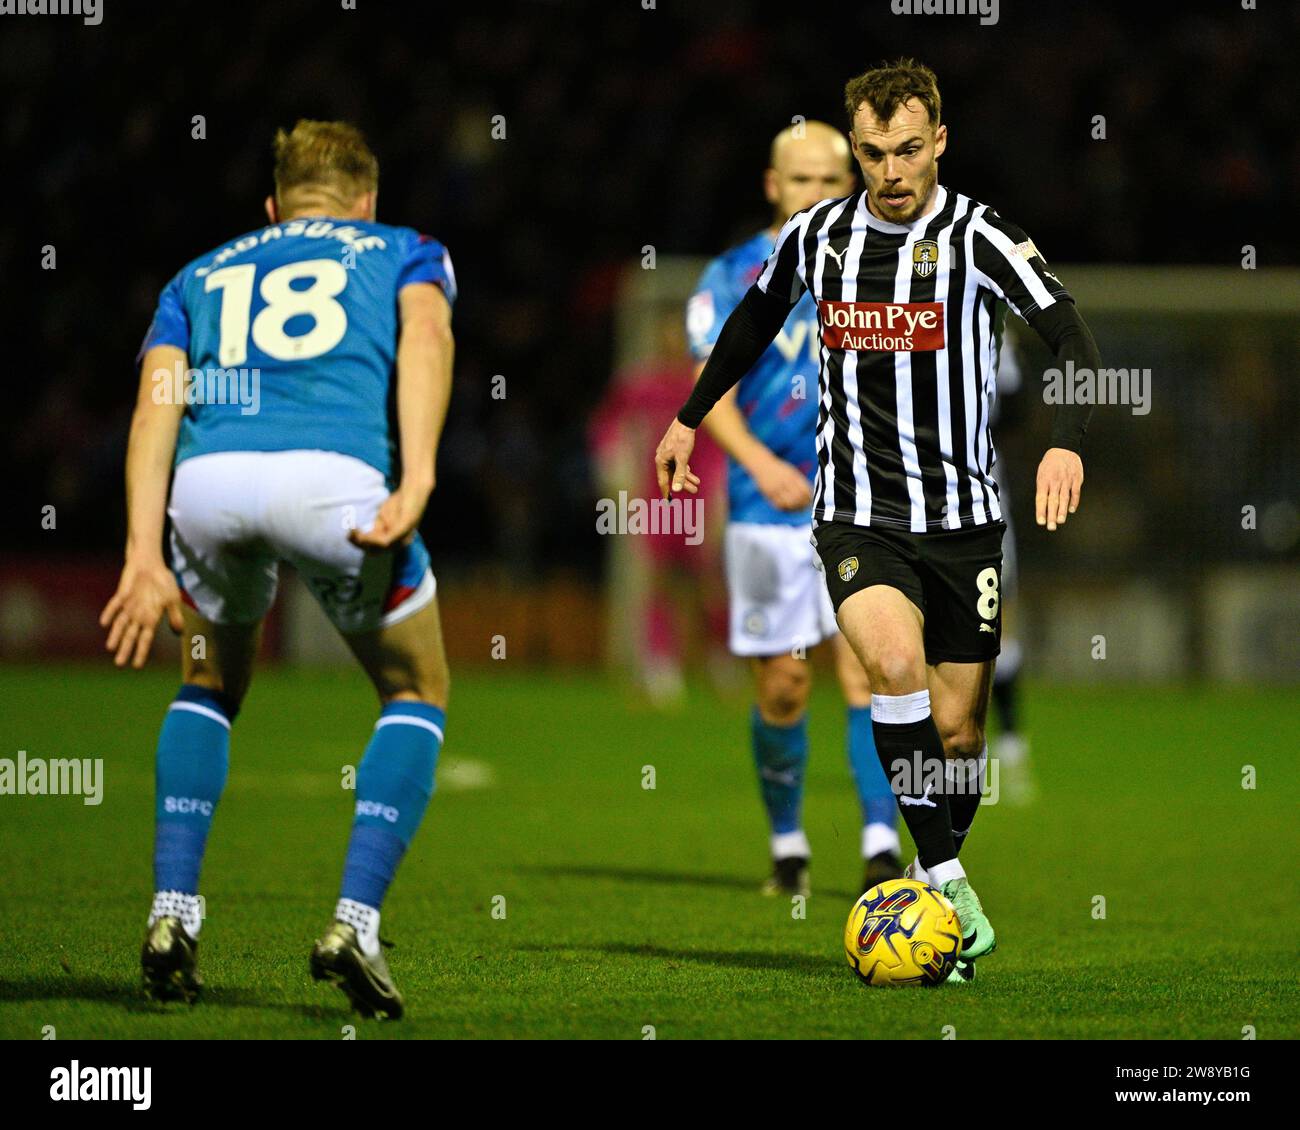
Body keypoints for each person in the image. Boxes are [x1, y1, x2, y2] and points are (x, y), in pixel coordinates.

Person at [654, 59, 1097, 980]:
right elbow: (747, 323)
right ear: (854, 151)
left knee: (960, 733)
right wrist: (687, 418)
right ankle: (943, 878)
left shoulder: (979, 237)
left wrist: (1067, 441)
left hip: (966, 521)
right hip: (857, 513)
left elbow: (1071, 334)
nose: (890, 173)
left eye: (906, 151)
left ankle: (934, 893)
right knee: (889, 666)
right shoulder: (817, 238)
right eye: (871, 154)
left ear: (939, 143)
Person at [99, 120, 456, 1018]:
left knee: (210, 685)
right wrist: (416, 477)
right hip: (332, 482)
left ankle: (172, 911)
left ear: (272, 207)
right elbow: (426, 340)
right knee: (417, 689)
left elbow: (156, 405)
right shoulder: (405, 250)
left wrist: (144, 554)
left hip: (210, 487)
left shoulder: (201, 271)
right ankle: (354, 921)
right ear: (366, 201)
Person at [685, 121, 900, 897]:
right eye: (801, 180)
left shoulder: (880, 263)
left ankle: (880, 845)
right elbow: (711, 389)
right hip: (765, 510)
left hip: (862, 500)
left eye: (831, 181)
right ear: (774, 186)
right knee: (784, 687)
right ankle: (787, 846)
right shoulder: (731, 274)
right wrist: (759, 463)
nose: (817, 193)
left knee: (870, 670)